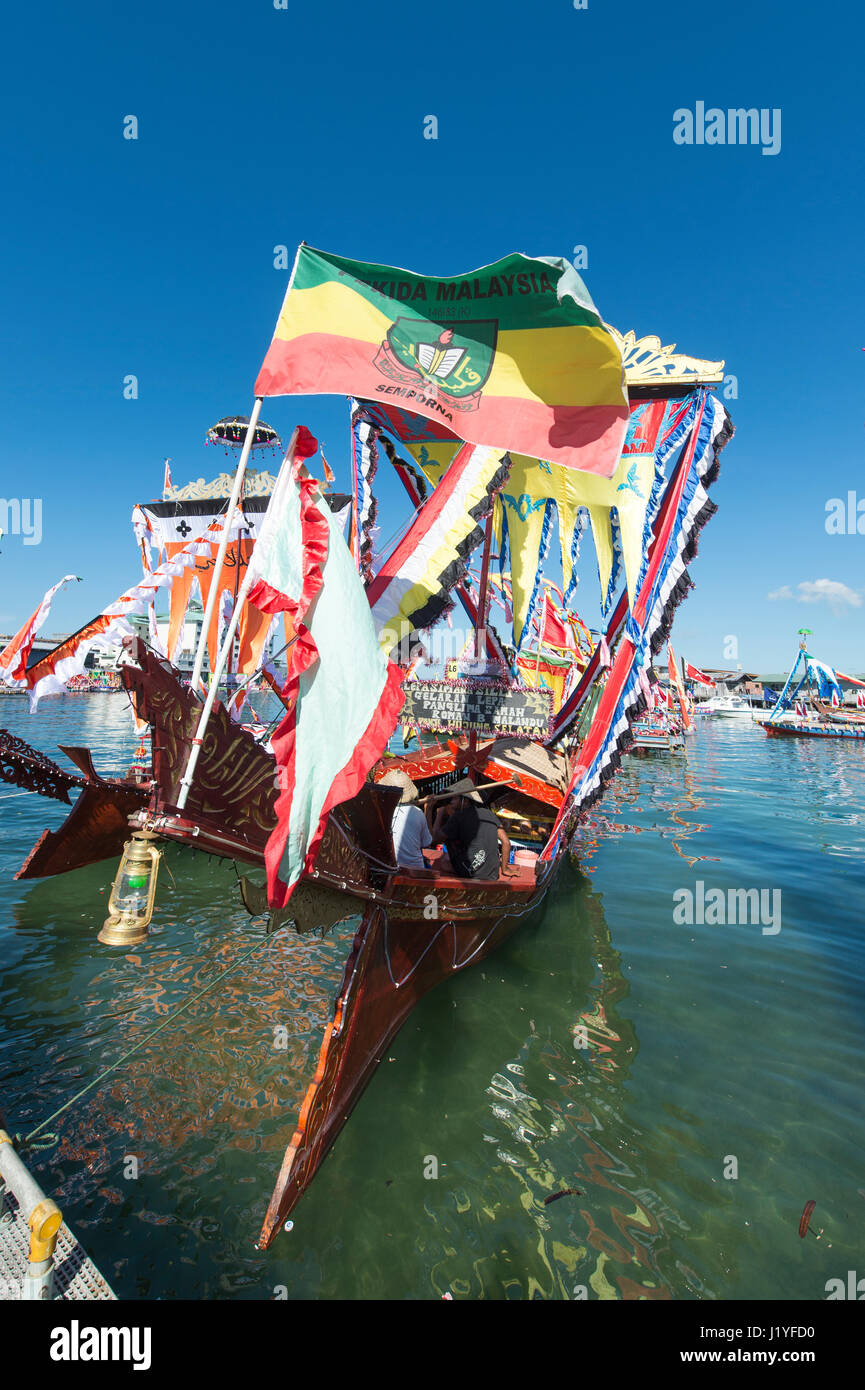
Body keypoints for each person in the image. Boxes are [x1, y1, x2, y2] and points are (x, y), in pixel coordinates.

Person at [428, 778, 517, 880]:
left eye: (455, 798)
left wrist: (431, 811)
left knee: (444, 863)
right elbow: (506, 842)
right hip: (492, 873)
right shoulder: (489, 813)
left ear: (465, 801)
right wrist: (505, 869)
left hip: (471, 872)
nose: (451, 801)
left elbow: (433, 839)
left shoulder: (458, 817)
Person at [378, 769, 433, 870]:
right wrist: (428, 809)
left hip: (392, 868)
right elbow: (427, 843)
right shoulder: (418, 813)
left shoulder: (381, 812)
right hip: (416, 868)